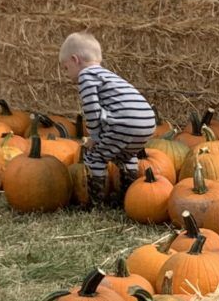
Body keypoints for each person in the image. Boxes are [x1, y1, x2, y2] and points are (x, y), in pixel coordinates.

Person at [59, 32, 156, 205]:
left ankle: (97, 203)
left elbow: (92, 109)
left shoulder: (86, 76)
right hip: (146, 122)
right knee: (126, 157)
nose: (66, 74)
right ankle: (127, 198)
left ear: (75, 59)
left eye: (66, 68)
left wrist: (95, 138)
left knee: (95, 157)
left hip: (124, 122)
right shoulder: (107, 75)